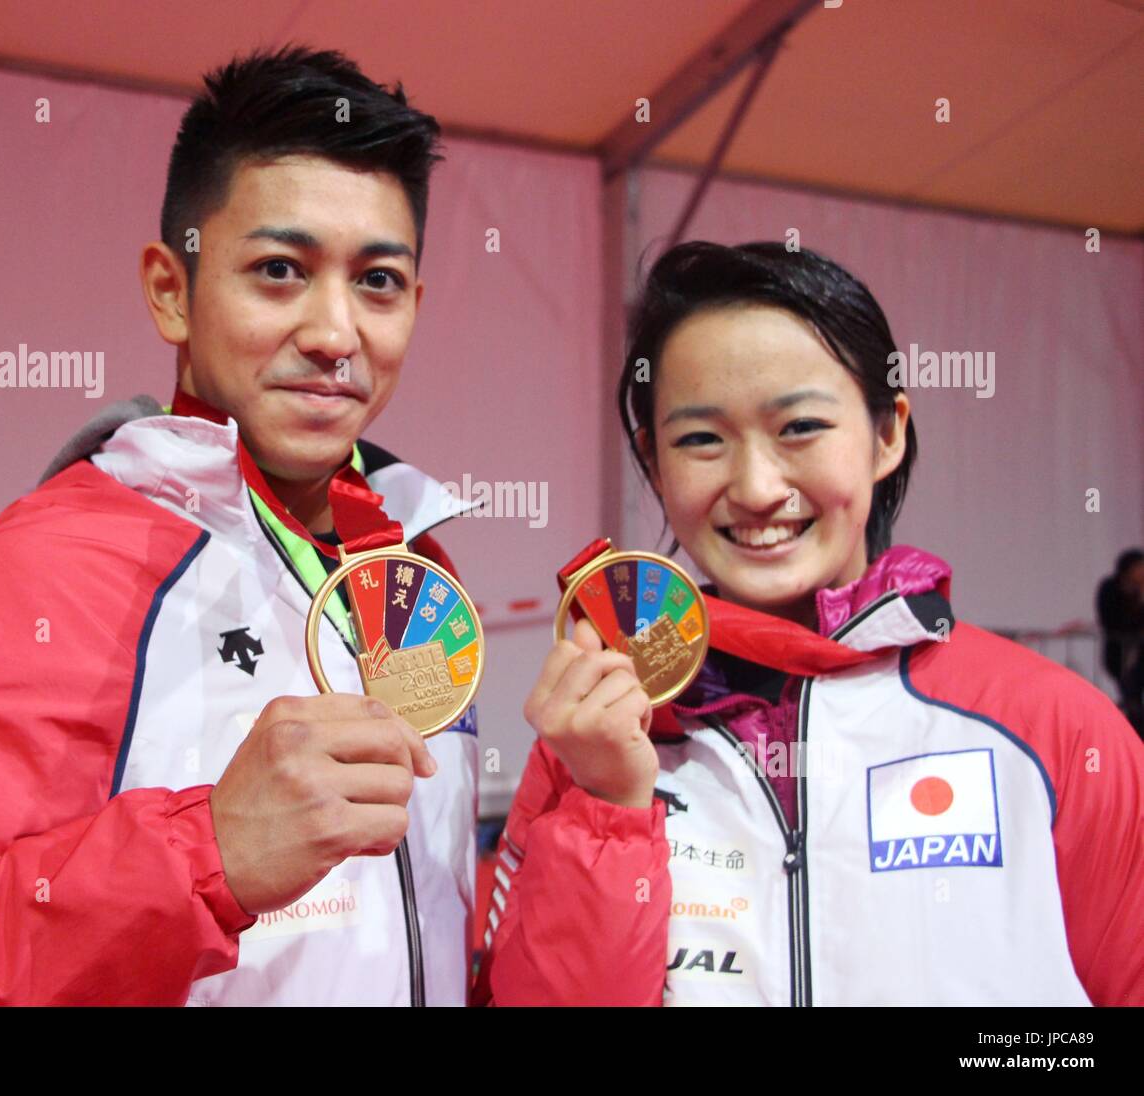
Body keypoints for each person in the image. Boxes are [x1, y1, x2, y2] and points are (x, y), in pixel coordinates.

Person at [0, 46, 478, 1006]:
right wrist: (203, 855)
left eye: (378, 282)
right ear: (170, 290)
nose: (337, 333)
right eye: (279, 270)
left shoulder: (418, 566)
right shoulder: (38, 574)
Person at [476, 241, 1144, 1006]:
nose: (757, 488)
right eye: (701, 440)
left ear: (887, 432)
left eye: (799, 427)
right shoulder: (595, 739)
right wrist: (606, 811)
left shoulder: (1055, 731)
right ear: (652, 463)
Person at [1096, 549, 1144, 733]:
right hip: (1120, 654)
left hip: (1137, 654)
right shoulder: (1111, 588)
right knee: (1130, 696)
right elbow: (1111, 619)